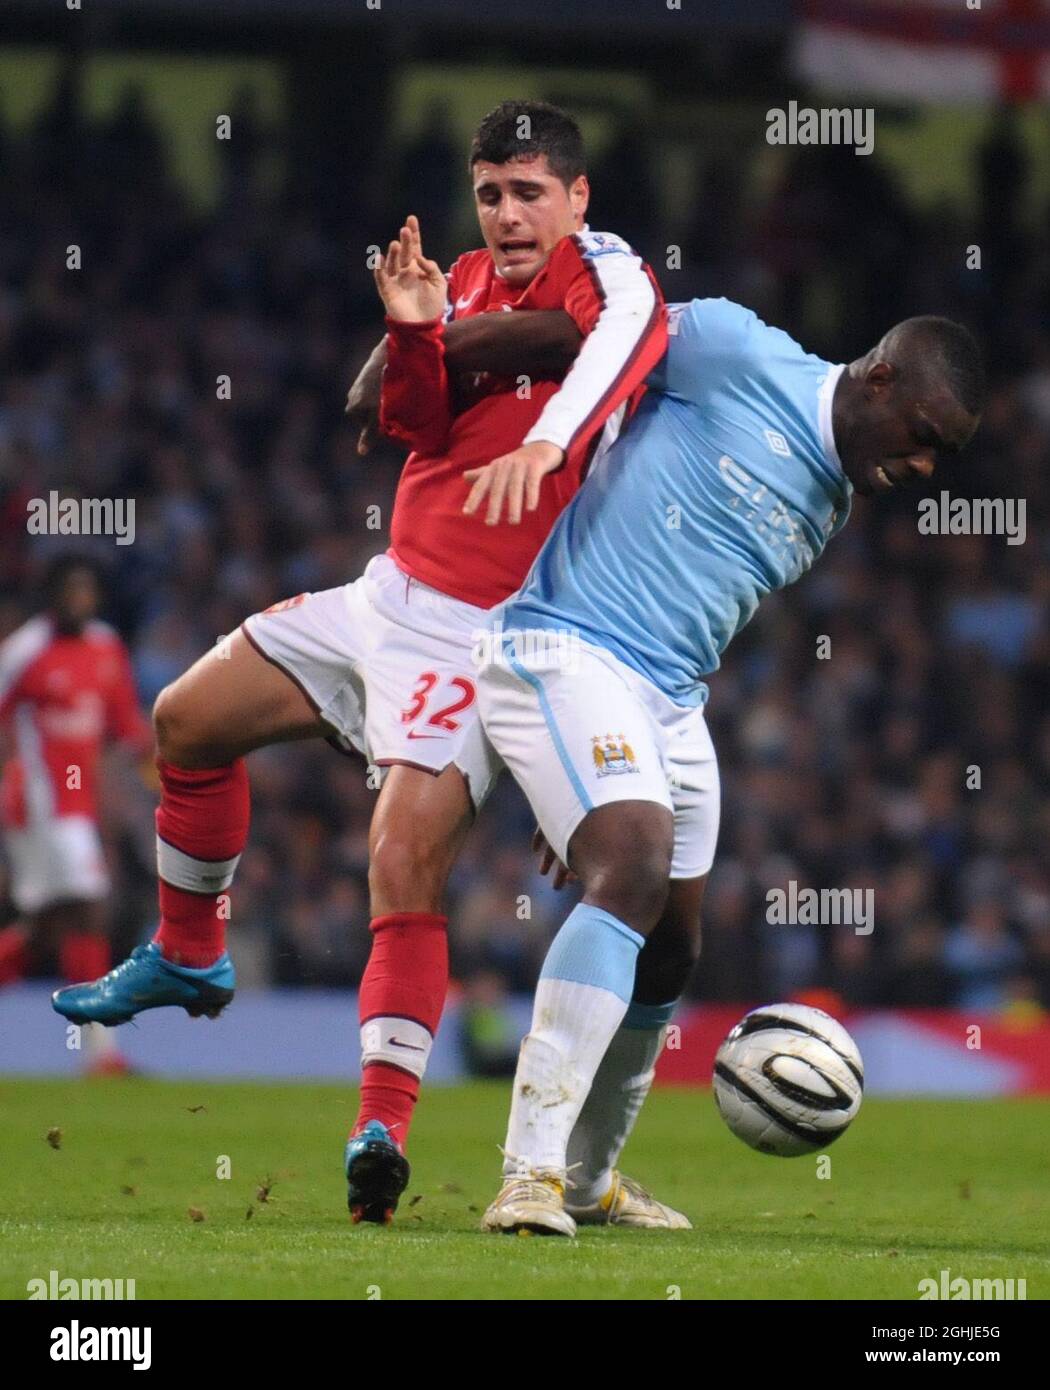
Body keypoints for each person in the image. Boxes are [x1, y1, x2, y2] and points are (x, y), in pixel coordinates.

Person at [52, 101, 669, 1225]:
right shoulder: (469, 279)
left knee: (400, 859)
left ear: (579, 198)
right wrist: (419, 330)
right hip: (385, 593)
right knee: (185, 720)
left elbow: (618, 337)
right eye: (491, 192)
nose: (509, 213)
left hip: (483, 634)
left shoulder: (608, 281)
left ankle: (381, 1122)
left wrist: (538, 435)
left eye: (532, 191)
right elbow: (416, 425)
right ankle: (191, 951)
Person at [470, 299, 984, 1234]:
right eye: (921, 439)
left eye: (941, 459)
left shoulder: (835, 492)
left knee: (672, 941)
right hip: (564, 645)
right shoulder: (739, 350)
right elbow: (602, 332)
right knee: (631, 860)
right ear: (880, 377)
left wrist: (577, 784)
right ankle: (528, 1176)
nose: (921, 470)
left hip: (666, 696)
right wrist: (440, 357)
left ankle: (587, 1181)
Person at [0, 556, 152, 1074]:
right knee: (90, 906)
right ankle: (100, 1053)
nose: (79, 600)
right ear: (51, 596)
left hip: (79, 808)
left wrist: (160, 771)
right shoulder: (25, 651)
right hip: (39, 804)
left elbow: (126, 730)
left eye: (87, 591)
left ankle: (97, 1052)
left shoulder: (107, 648)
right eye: (70, 591)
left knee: (43, 929)